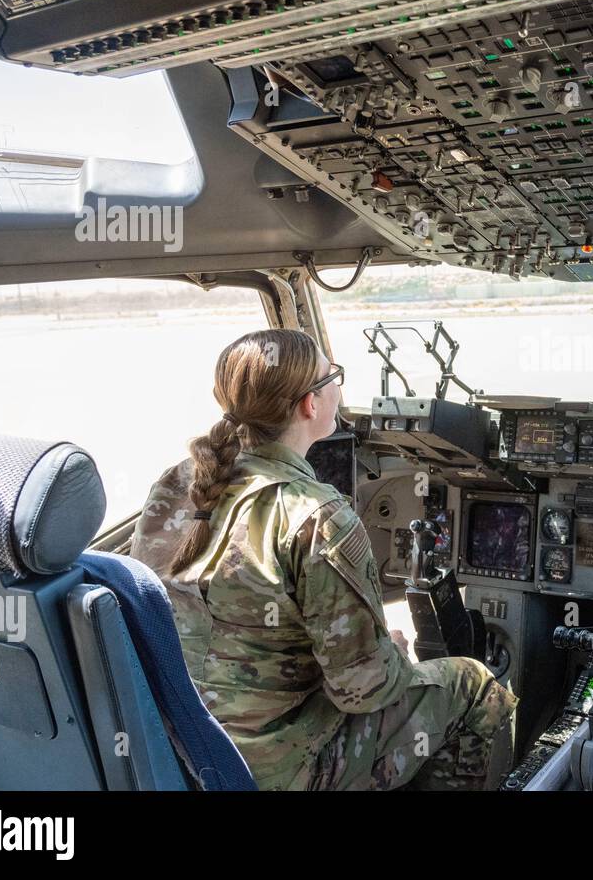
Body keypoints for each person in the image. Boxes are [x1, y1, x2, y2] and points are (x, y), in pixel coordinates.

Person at [131, 329, 517, 790]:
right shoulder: (318, 516)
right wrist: (391, 652)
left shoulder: (178, 482)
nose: (339, 386)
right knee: (473, 685)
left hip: (178, 751)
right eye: (333, 376)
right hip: (275, 769)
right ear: (310, 405)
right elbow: (363, 691)